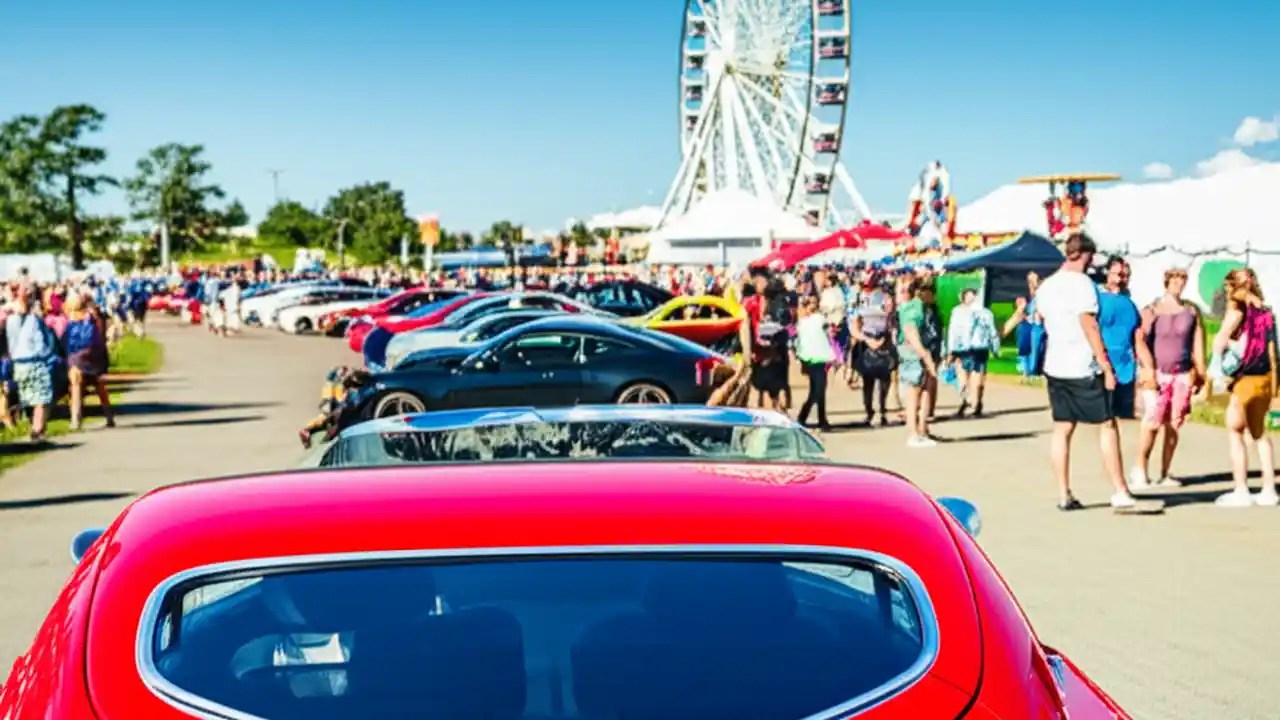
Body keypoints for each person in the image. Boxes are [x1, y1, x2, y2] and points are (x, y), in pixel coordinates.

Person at [1035, 234, 1153, 513]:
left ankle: (1064, 493)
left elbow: (1043, 320)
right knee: (1107, 425)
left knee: (1063, 428)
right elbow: (1088, 324)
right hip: (1082, 367)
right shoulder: (1084, 285)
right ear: (1085, 255)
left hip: (1056, 365)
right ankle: (1120, 490)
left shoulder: (1046, 286)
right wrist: (1105, 365)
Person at [1130, 268, 1205, 488]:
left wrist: (1200, 371)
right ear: (1166, 281)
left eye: (1182, 278)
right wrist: (1147, 368)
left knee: (1173, 424)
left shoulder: (1191, 311)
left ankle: (1165, 472)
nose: (1178, 282)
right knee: (1152, 422)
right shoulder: (1152, 310)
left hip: (1181, 373)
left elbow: (1198, 342)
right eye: (1174, 278)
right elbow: (1140, 339)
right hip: (1157, 374)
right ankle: (1140, 468)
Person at [1210, 268, 1278, 507]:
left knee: (1236, 430)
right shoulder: (1266, 312)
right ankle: (1269, 489)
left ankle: (1241, 489)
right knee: (1259, 433)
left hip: (1245, 378)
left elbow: (1222, 339)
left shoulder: (1237, 309)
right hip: (1264, 377)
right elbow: (1272, 351)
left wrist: (1221, 350)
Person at [1096, 257, 1149, 420]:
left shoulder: (1131, 304)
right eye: (1118, 274)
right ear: (1108, 274)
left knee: (1122, 417)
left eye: (1126, 276)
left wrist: (1147, 366)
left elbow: (1138, 337)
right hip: (1101, 364)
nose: (1121, 279)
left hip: (1126, 367)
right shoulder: (1096, 299)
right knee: (1103, 417)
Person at [5, 288, 57, 441]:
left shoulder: (10, 321)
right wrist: (49, 356)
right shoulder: (33, 320)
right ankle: (37, 429)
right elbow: (41, 344)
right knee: (43, 398)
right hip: (34, 361)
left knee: (28, 398)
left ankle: (37, 428)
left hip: (18, 364)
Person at [895, 276, 937, 447]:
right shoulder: (915, 308)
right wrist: (923, 354)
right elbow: (909, 330)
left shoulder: (925, 308)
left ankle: (921, 430)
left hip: (921, 350)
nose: (933, 295)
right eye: (929, 291)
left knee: (926, 389)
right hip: (913, 352)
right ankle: (912, 433)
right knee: (914, 392)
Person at [63, 292, 115, 430]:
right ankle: (109, 416)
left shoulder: (71, 320)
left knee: (75, 386)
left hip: (77, 356)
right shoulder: (91, 316)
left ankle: (76, 418)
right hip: (95, 355)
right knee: (99, 386)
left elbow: (69, 340)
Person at [947, 287, 1000, 417]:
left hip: (976, 347)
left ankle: (974, 402)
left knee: (976, 376)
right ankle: (969, 401)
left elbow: (992, 331)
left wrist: (994, 347)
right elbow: (953, 331)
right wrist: (950, 351)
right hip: (963, 349)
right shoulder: (959, 311)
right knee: (963, 377)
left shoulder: (984, 312)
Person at [851, 284, 896, 425]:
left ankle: (882, 411)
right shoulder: (861, 306)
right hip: (868, 346)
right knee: (868, 383)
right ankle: (870, 412)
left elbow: (893, 327)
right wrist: (867, 339)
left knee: (883, 383)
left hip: (884, 345)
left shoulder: (890, 308)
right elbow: (855, 329)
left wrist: (884, 339)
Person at [794, 296, 835, 430]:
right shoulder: (805, 322)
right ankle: (817, 419)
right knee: (818, 391)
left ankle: (808, 418)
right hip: (812, 359)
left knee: (817, 391)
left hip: (819, 359)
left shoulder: (815, 320)